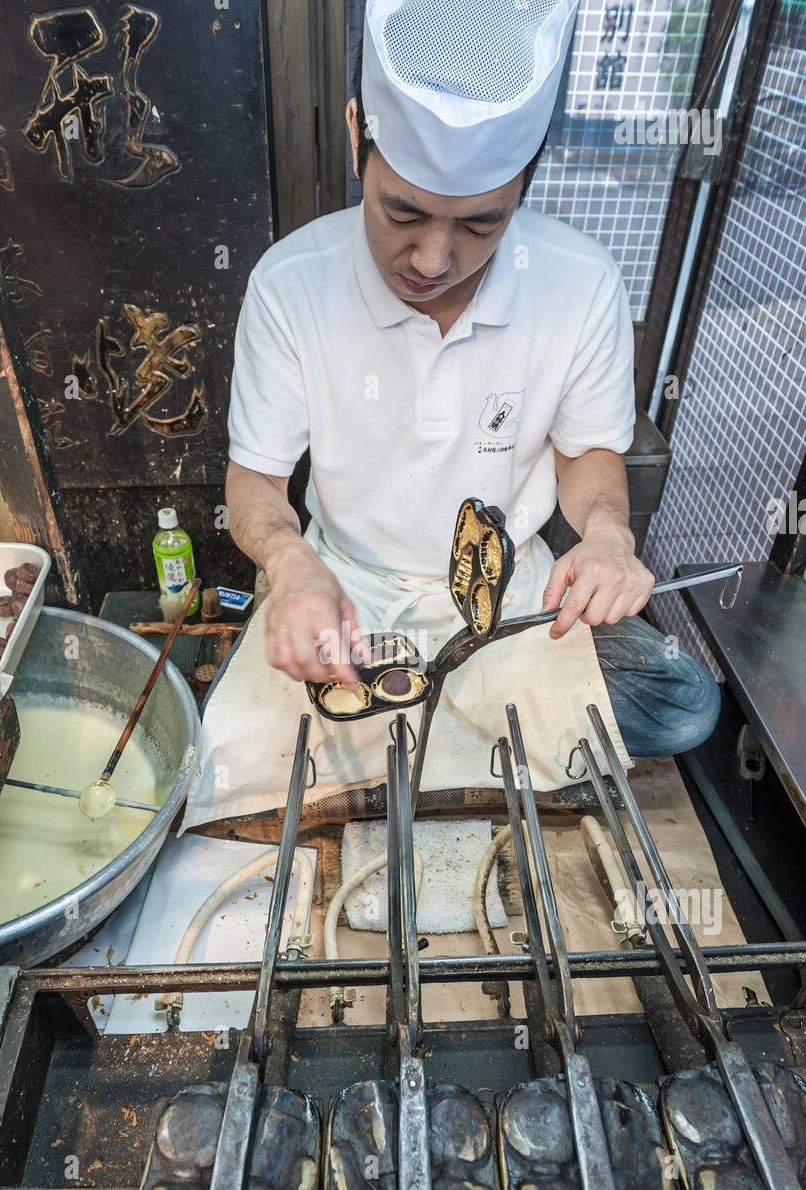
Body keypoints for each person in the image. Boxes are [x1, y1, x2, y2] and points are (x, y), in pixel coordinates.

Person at [181, 0, 720, 829]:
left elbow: (587, 457)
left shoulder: (578, 284)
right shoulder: (291, 284)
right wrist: (287, 566)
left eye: (480, 223)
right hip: (345, 586)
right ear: (356, 135)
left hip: (507, 599)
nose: (432, 260)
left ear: (525, 181)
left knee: (684, 707)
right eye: (402, 212)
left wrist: (609, 535)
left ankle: (444, 727)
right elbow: (255, 482)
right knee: (224, 759)